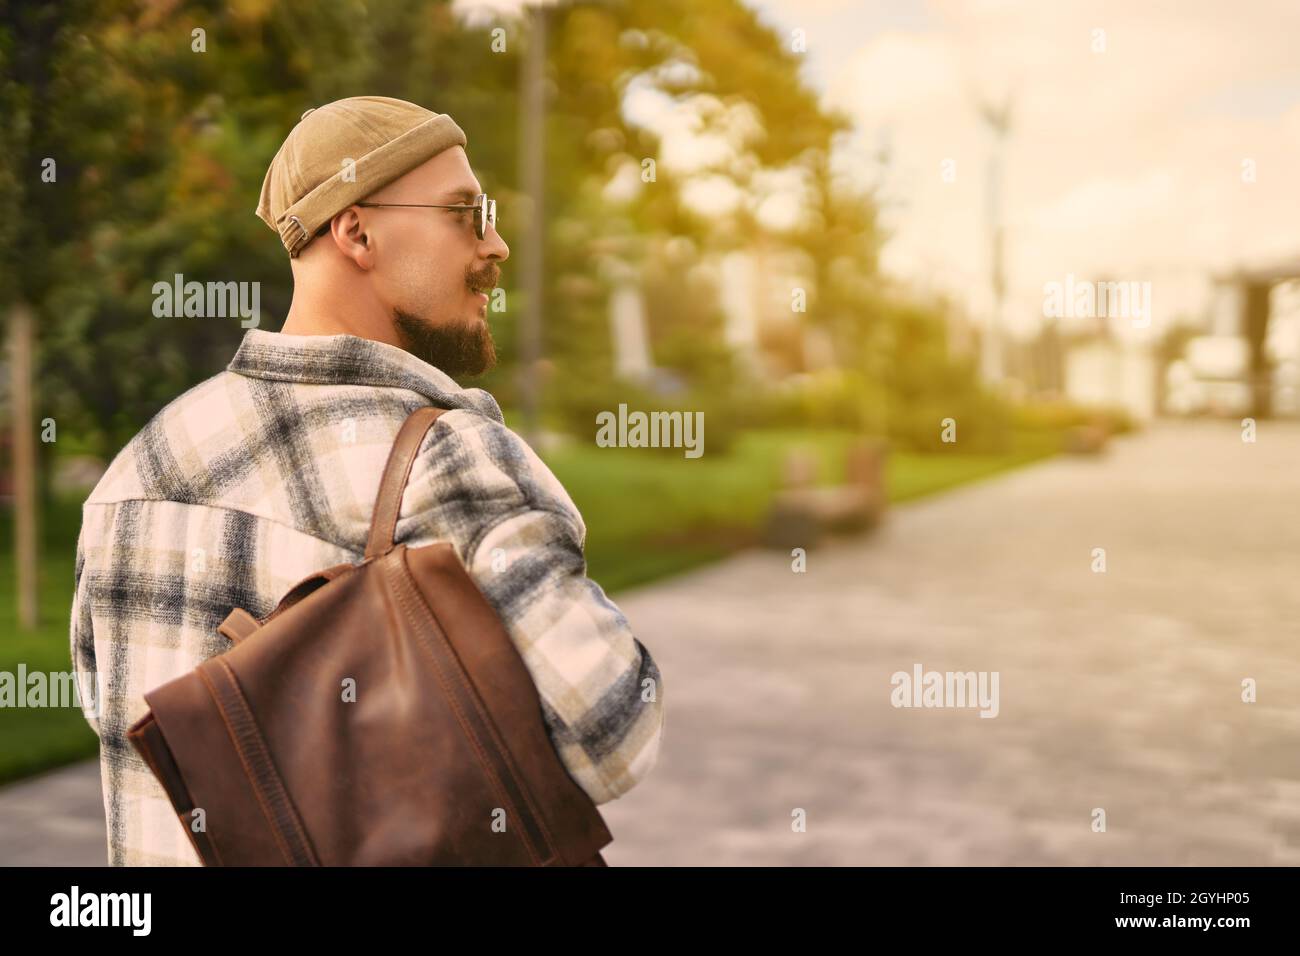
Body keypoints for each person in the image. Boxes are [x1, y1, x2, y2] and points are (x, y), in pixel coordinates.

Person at [69, 96, 665, 866]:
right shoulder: (446, 456)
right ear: (356, 230)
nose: (498, 243)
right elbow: (611, 727)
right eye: (465, 212)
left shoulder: (133, 479)